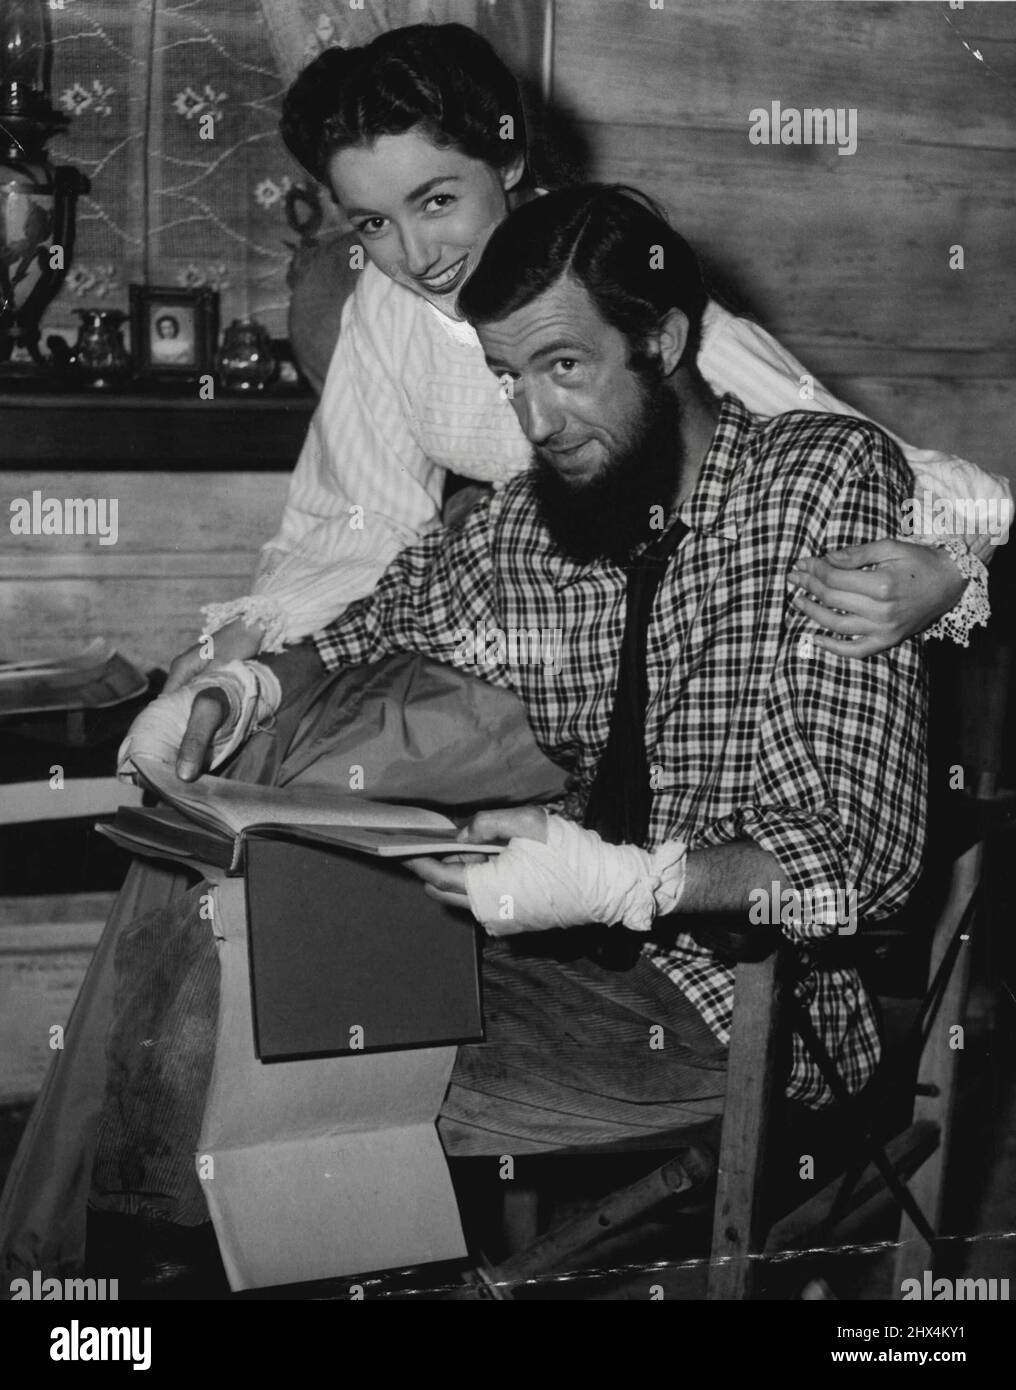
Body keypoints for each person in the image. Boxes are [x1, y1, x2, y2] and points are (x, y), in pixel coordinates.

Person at [175, 185, 928, 1157]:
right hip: (545, 961)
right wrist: (248, 684)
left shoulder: (822, 482)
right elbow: (376, 618)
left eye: (563, 366)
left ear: (660, 342)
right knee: (228, 998)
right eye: (506, 377)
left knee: (313, 1093)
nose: (535, 418)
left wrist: (625, 881)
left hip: (742, 1006)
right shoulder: (530, 519)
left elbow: (864, 863)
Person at [164, 23, 1007, 698]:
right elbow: (362, 517)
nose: (416, 255)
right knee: (266, 730)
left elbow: (888, 468)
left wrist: (944, 571)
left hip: (706, 641)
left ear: (511, 161)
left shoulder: (614, 281)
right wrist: (249, 635)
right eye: (374, 224)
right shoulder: (389, 307)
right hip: (531, 627)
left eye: (439, 200)